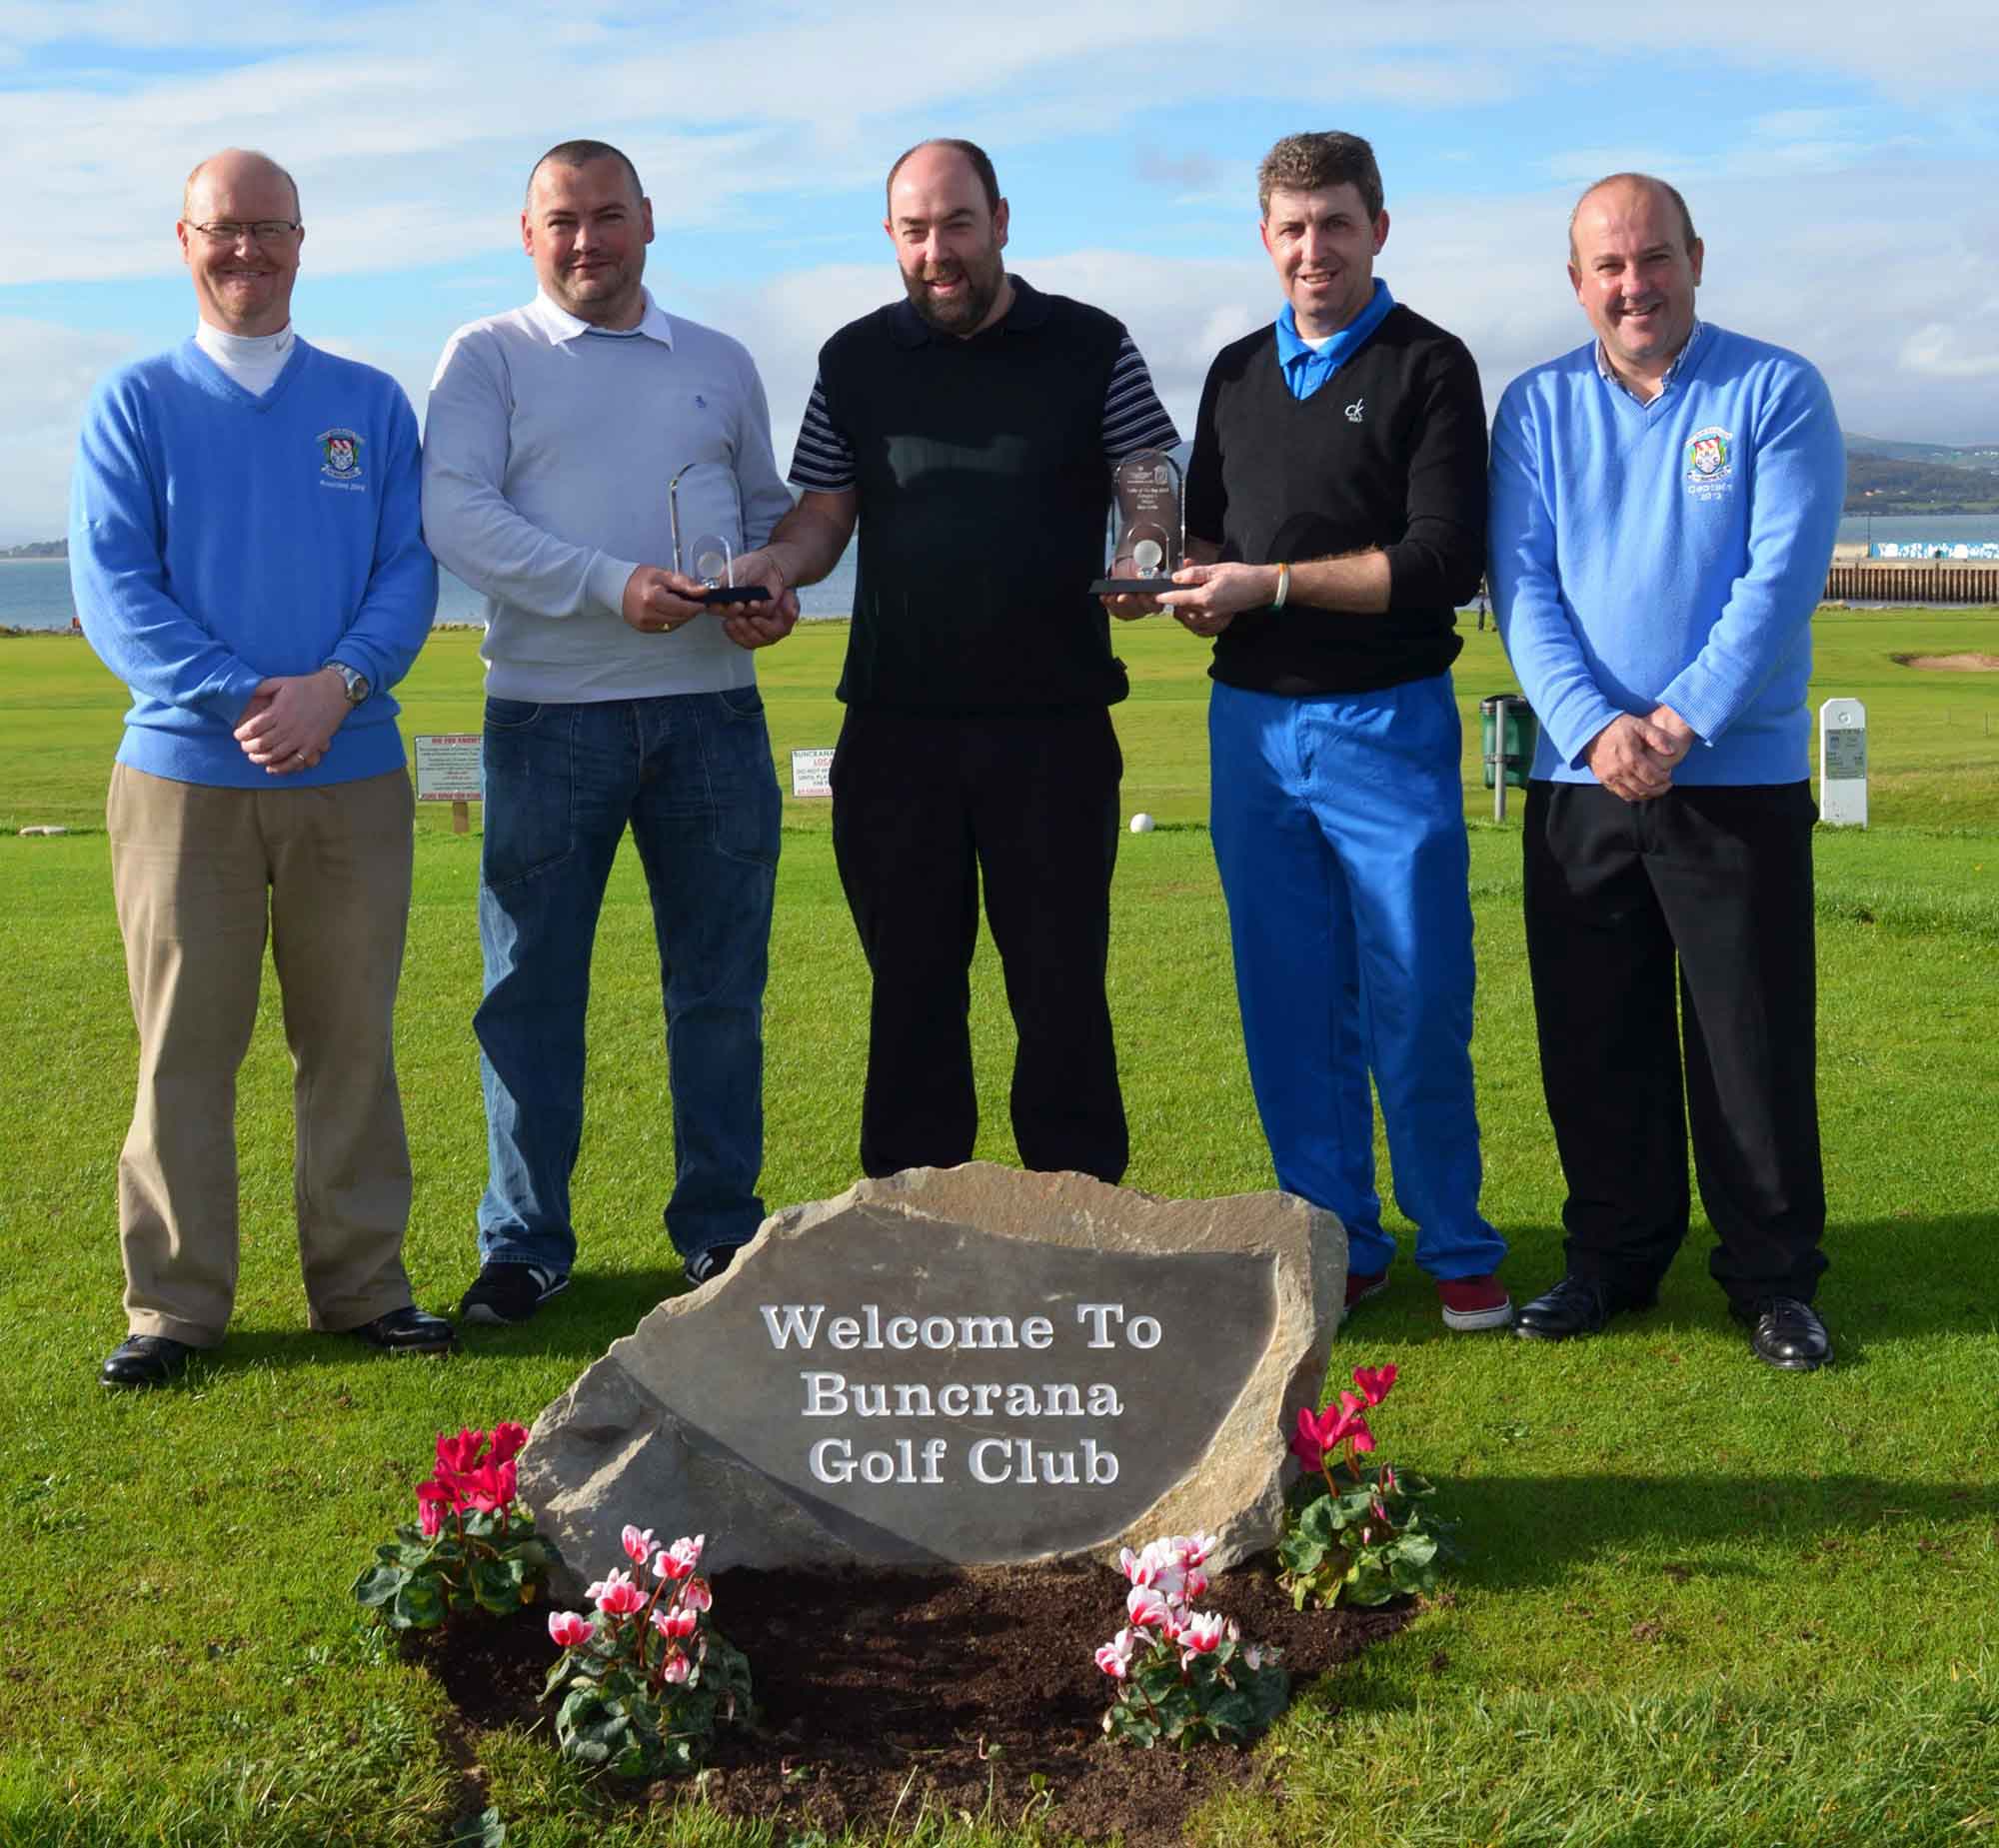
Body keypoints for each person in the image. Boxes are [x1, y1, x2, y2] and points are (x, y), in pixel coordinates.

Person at [70, 148, 450, 1388]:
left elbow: (407, 572)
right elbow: (115, 590)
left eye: (268, 229)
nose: (247, 251)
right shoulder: (133, 403)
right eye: (222, 230)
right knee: (184, 1047)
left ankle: (362, 1287)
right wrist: (245, 698)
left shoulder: (370, 402)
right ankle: (175, 1305)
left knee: (349, 1040)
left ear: (302, 239)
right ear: (182, 240)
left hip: (349, 765)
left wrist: (334, 687)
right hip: (186, 775)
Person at [1126, 130, 1509, 1331]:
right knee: (1287, 1001)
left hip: (1383, 723)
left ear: (1376, 230)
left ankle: (1454, 1240)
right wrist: (1176, 584)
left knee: (1414, 990)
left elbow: (1442, 562)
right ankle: (1332, 1236)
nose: (1312, 249)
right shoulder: (1234, 371)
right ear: (1262, 240)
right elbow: (1206, 541)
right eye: (1290, 229)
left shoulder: (1429, 364)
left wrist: (1267, 584)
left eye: (1334, 223)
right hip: (1249, 726)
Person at [740, 138, 1176, 1184]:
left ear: (1000, 220)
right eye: (913, 230)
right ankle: (912, 1222)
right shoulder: (852, 358)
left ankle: (1077, 1216)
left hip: (1054, 726)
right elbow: (822, 513)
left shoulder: (1089, 342)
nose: (936, 251)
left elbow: (1147, 472)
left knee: (1060, 990)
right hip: (895, 731)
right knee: (910, 995)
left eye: (956, 225)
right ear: (891, 237)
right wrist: (776, 567)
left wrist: (1145, 550)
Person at [422, 139, 795, 1324]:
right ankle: (525, 1243)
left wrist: (770, 578)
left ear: (649, 221)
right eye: (562, 220)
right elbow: (455, 515)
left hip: (711, 717)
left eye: (608, 216)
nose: (587, 240)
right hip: (545, 718)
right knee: (528, 988)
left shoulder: (721, 360)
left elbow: (773, 508)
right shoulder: (486, 357)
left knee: (719, 989)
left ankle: (720, 1233)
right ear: (526, 235)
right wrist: (607, 585)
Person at [1488, 173, 1843, 1369]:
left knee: (1745, 1039)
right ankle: (1612, 1261)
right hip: (1579, 779)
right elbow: (1521, 587)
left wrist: (1678, 719)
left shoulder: (1773, 389)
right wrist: (1595, 729)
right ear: (1575, 279)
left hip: (1729, 776)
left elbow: (1777, 579)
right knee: (1593, 1037)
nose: (1631, 285)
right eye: (1607, 266)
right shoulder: (1533, 407)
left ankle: (1772, 1278)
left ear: (1694, 257)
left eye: (1652, 260)